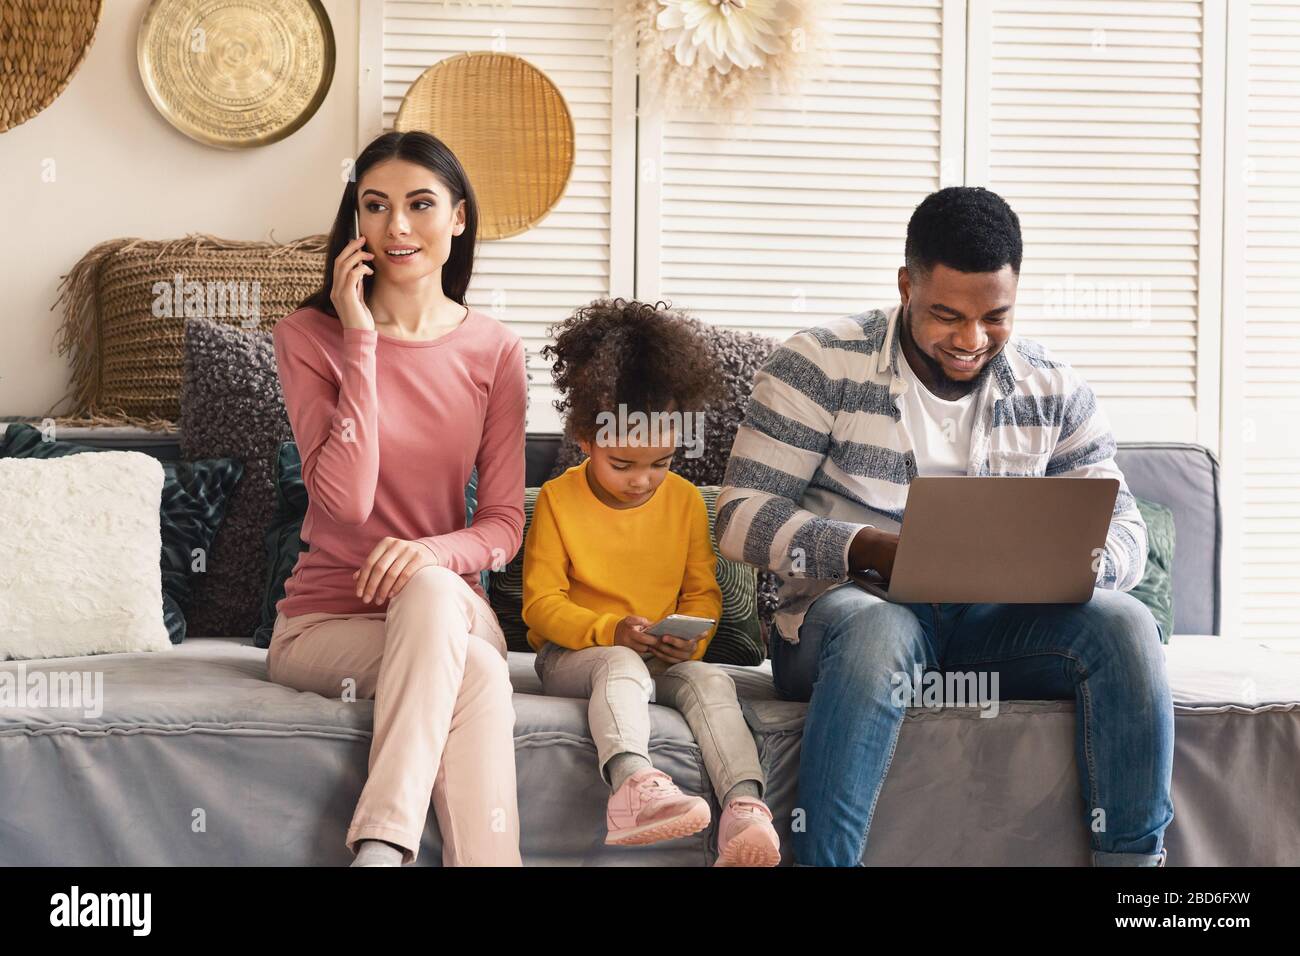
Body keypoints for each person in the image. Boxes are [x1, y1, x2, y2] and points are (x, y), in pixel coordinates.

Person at [716, 186, 1173, 867]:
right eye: (947, 315)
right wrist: (866, 551)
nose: (970, 340)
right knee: (879, 626)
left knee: (1128, 626)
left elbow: (1126, 527)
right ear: (906, 285)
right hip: (845, 623)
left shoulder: (1052, 387)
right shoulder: (820, 365)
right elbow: (740, 517)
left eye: (995, 317)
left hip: (995, 627)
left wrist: (1078, 565)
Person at [267, 130, 527, 867]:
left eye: (420, 205)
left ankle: (382, 846)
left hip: (453, 608)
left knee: (434, 591)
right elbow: (345, 504)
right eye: (374, 206)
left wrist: (427, 554)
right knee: (473, 675)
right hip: (324, 625)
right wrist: (360, 341)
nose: (397, 227)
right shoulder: (308, 337)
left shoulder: (497, 353)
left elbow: (505, 524)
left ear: (459, 218)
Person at [522, 298, 783, 866]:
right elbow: (540, 606)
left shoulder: (687, 500)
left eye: (661, 462)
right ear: (584, 438)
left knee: (712, 683)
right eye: (623, 464)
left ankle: (744, 812)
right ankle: (633, 785)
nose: (643, 481)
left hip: (662, 658)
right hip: (578, 657)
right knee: (620, 665)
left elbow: (701, 593)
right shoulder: (557, 501)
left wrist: (693, 637)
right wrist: (611, 630)